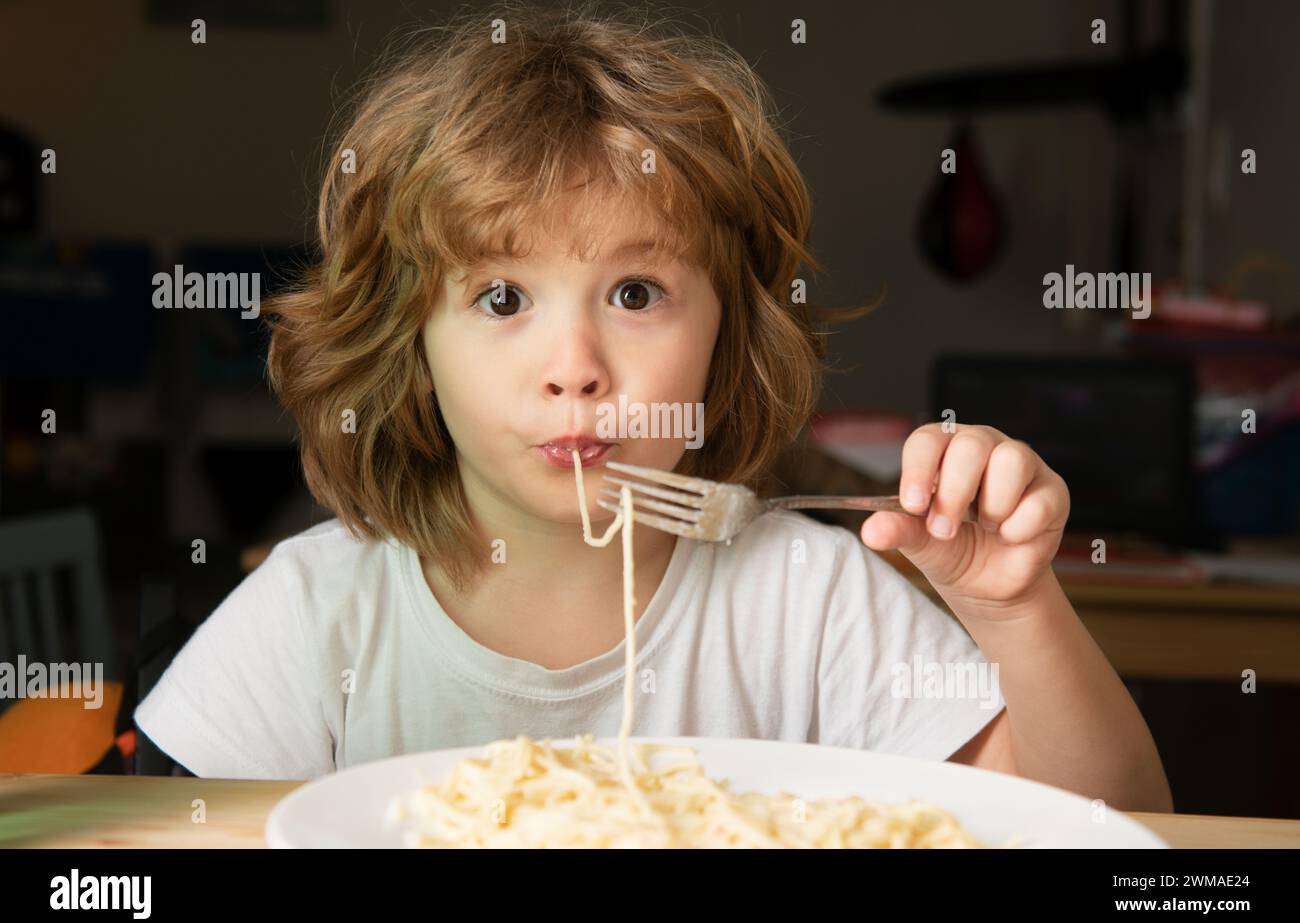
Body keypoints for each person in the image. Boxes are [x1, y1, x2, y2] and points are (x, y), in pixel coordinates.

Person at [134, 1, 1171, 813]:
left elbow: (1111, 831)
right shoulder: (318, 618)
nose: (574, 368)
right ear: (408, 345)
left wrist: (1011, 610)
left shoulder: (808, 600)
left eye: (635, 294)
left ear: (731, 333)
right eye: (501, 298)